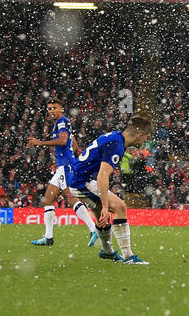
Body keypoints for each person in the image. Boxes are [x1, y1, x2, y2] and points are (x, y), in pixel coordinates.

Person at [71, 116, 154, 265]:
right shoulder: (117, 144)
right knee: (120, 207)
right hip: (82, 181)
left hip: (79, 178)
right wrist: (105, 206)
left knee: (102, 218)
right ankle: (128, 256)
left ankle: (107, 251)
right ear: (139, 136)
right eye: (145, 138)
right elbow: (103, 175)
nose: (144, 142)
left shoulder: (116, 137)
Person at [27, 99, 99, 248]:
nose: (51, 111)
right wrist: (65, 159)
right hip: (64, 166)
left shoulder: (62, 121)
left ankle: (94, 229)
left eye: (54, 108)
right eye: (49, 109)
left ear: (61, 109)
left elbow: (63, 140)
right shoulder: (63, 123)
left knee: (71, 198)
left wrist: (41, 143)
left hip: (66, 167)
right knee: (48, 199)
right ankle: (48, 237)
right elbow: (74, 145)